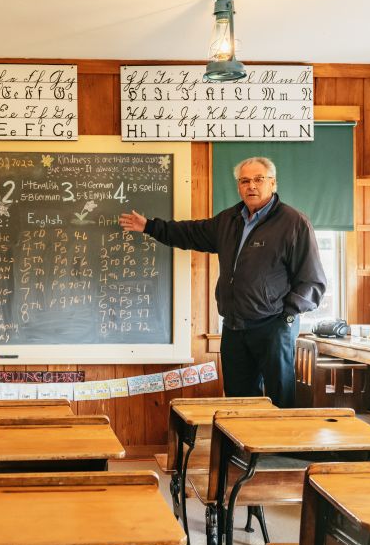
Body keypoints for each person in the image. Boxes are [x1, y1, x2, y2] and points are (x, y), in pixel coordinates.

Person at [118, 156, 325, 406]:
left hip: (273, 327)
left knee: (279, 399)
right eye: (245, 180)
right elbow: (191, 233)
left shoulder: (294, 223)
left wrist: (287, 317)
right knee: (238, 400)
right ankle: (241, 446)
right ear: (238, 186)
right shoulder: (229, 220)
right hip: (234, 327)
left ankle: (278, 448)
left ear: (273, 183)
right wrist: (150, 227)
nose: (251, 186)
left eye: (259, 179)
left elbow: (312, 281)